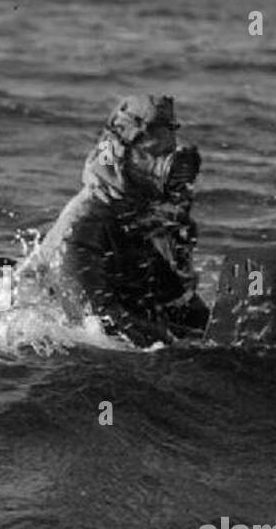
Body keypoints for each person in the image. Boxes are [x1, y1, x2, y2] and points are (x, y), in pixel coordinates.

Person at [20, 93, 208, 347]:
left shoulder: (140, 219)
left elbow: (178, 305)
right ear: (122, 155)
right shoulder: (82, 225)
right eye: (155, 153)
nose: (168, 165)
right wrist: (181, 344)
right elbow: (95, 324)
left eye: (170, 152)